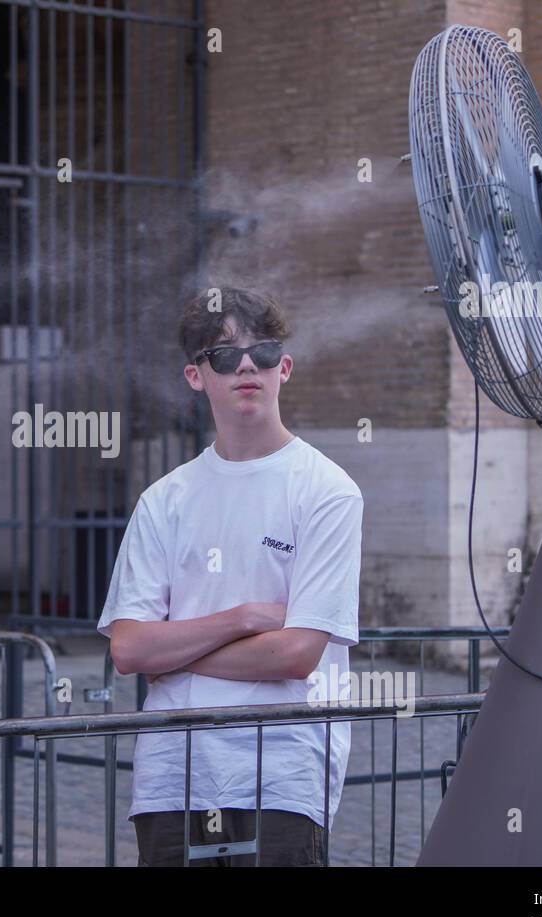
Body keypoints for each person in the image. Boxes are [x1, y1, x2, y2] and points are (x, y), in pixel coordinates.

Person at [98, 287, 364, 866]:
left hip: (281, 776)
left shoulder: (328, 491)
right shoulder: (162, 500)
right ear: (196, 376)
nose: (246, 365)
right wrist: (243, 618)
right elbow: (128, 648)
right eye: (223, 356)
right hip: (173, 776)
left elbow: (296, 655)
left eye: (263, 353)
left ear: (283, 367)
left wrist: (172, 650)